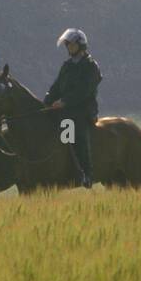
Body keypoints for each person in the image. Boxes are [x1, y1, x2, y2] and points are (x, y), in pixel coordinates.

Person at [44, 28, 101, 188]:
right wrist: (47, 101)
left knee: (77, 134)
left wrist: (65, 102)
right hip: (65, 109)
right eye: (67, 45)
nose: (69, 47)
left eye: (71, 45)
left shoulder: (91, 66)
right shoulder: (67, 65)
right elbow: (56, 87)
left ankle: (86, 173)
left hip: (83, 110)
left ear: (80, 45)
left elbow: (84, 90)